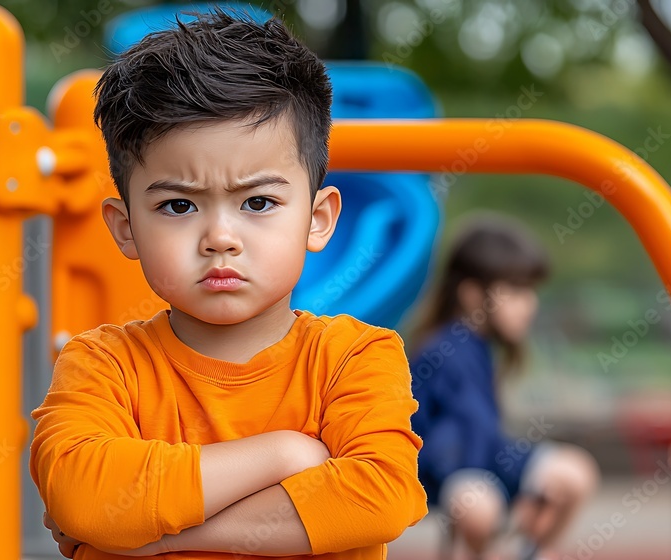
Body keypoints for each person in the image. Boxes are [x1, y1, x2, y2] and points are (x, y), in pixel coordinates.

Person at [29, 9, 427, 560]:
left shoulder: (355, 358)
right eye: (178, 205)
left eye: (257, 202)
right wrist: (285, 456)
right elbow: (83, 499)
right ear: (126, 228)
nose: (219, 237)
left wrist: (152, 539)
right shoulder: (103, 365)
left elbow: (377, 497)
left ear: (318, 219)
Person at [409, 215, 600, 560]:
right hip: (446, 472)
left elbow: (487, 438)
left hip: (485, 460)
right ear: (471, 295)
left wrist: (521, 481)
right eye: (515, 291)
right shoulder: (445, 352)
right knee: (478, 504)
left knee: (575, 471)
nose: (530, 304)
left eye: (530, 291)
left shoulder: (480, 347)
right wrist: (520, 492)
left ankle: (532, 550)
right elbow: (458, 442)